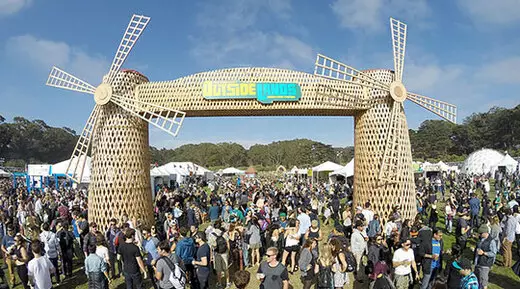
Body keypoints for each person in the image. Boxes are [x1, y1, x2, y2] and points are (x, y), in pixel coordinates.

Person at [474, 225, 497, 289]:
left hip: (485, 264)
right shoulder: (481, 239)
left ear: (485, 232)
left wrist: (484, 253)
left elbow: (493, 253)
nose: (480, 234)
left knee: (483, 282)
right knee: (476, 279)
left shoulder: (492, 241)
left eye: (481, 233)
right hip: (478, 263)